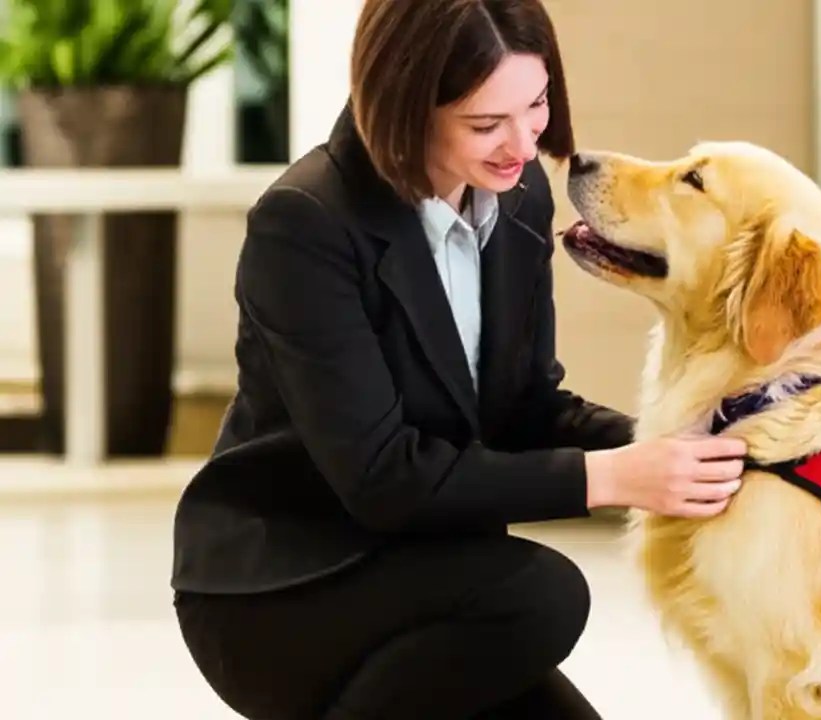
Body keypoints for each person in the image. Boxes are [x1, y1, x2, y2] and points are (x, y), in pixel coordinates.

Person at [169, 1, 747, 718]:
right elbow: (382, 478)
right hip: (287, 586)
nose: (522, 144)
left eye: (536, 104)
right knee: (542, 595)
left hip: (426, 571)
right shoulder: (305, 222)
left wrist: (675, 450)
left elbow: (525, 407)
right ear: (407, 103)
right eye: (485, 123)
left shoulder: (518, 197)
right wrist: (612, 478)